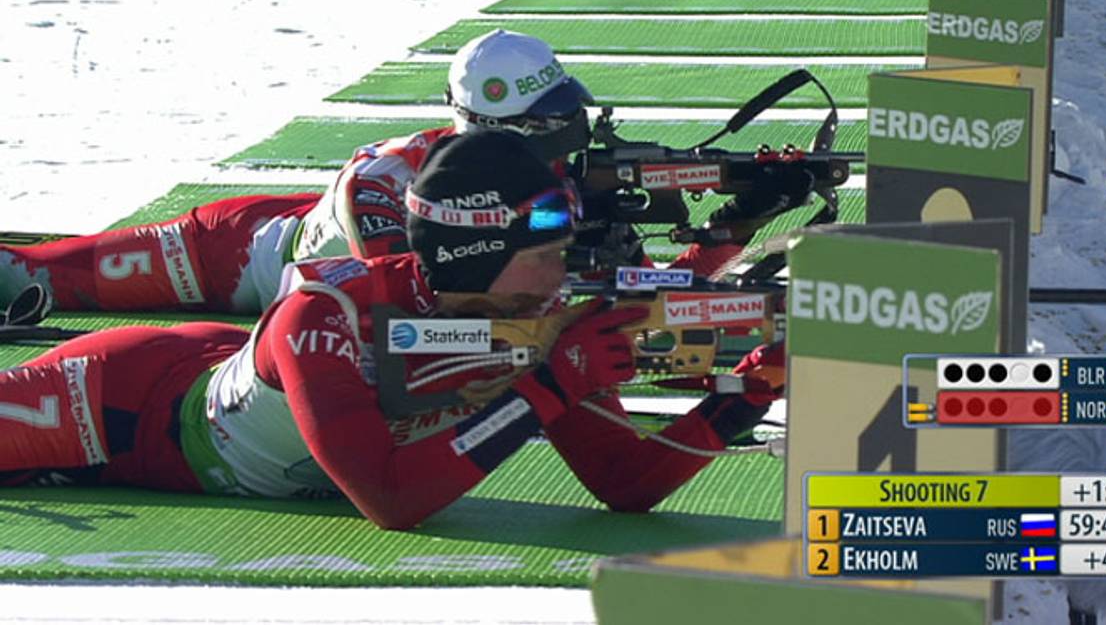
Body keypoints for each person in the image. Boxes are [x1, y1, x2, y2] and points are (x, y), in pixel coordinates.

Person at [0, 130, 785, 530]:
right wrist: (550, 386)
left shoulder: (531, 317)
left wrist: (750, 391)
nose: (562, 275)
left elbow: (626, 482)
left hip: (204, 379)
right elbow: (391, 498)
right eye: (544, 255)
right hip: (116, 402)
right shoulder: (325, 314)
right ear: (477, 251)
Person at [0, 29, 595, 315]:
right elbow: (412, 303)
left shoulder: (541, 174)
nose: (568, 133)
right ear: (498, 125)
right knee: (35, 275)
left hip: (298, 222)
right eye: (551, 120)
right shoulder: (384, 178)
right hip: (237, 257)